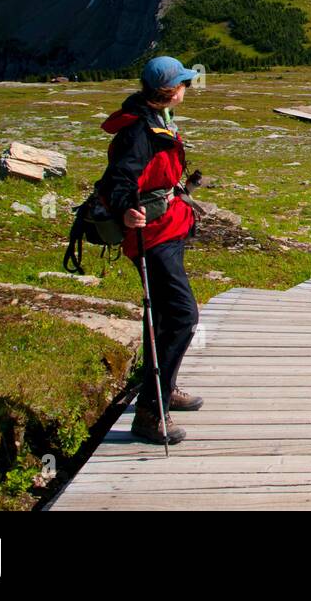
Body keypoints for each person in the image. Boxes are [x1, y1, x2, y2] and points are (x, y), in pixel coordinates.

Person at [97, 56, 203, 445]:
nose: (188, 89)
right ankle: (149, 412)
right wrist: (127, 210)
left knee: (162, 314)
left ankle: (166, 387)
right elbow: (118, 179)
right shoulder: (139, 131)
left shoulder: (156, 120)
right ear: (171, 91)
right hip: (152, 236)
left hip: (167, 229)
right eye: (185, 84)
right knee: (181, 314)